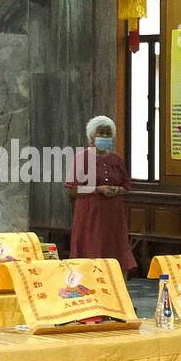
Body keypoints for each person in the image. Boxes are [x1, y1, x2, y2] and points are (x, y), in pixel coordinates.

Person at [65, 116, 136, 274]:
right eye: (101, 133)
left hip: (113, 215)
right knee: (92, 248)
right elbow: (72, 189)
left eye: (108, 133)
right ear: (91, 136)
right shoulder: (82, 158)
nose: (104, 137)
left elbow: (126, 185)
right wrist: (97, 189)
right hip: (90, 215)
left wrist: (117, 190)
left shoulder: (116, 160)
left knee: (116, 251)